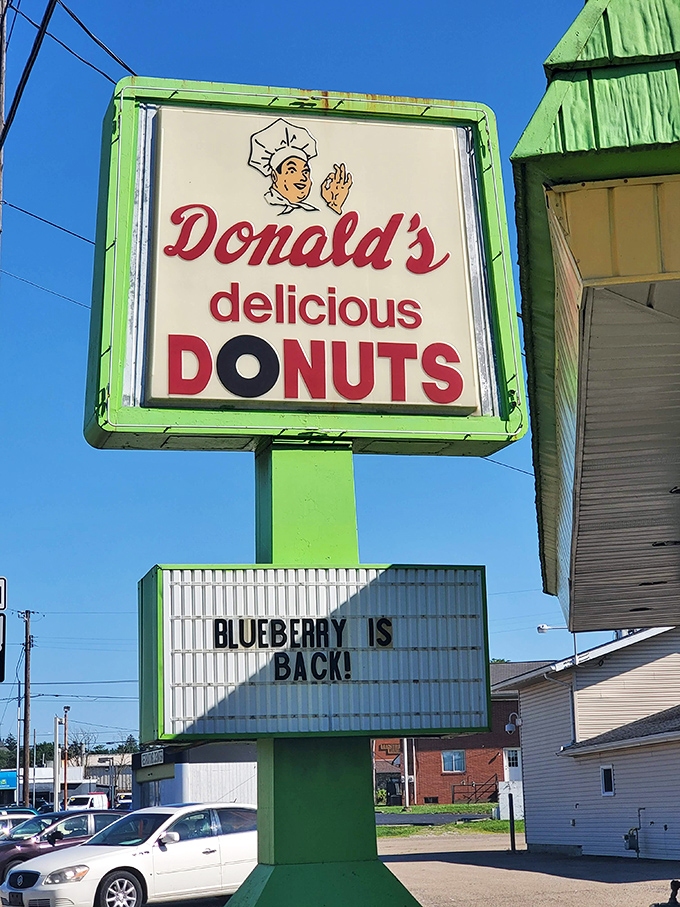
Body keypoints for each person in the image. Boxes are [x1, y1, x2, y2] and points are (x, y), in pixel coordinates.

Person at [248, 117, 352, 215]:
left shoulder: (311, 211)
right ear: (274, 176)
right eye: (292, 171)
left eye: (305, 172)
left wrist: (334, 205)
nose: (302, 178)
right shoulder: (262, 207)